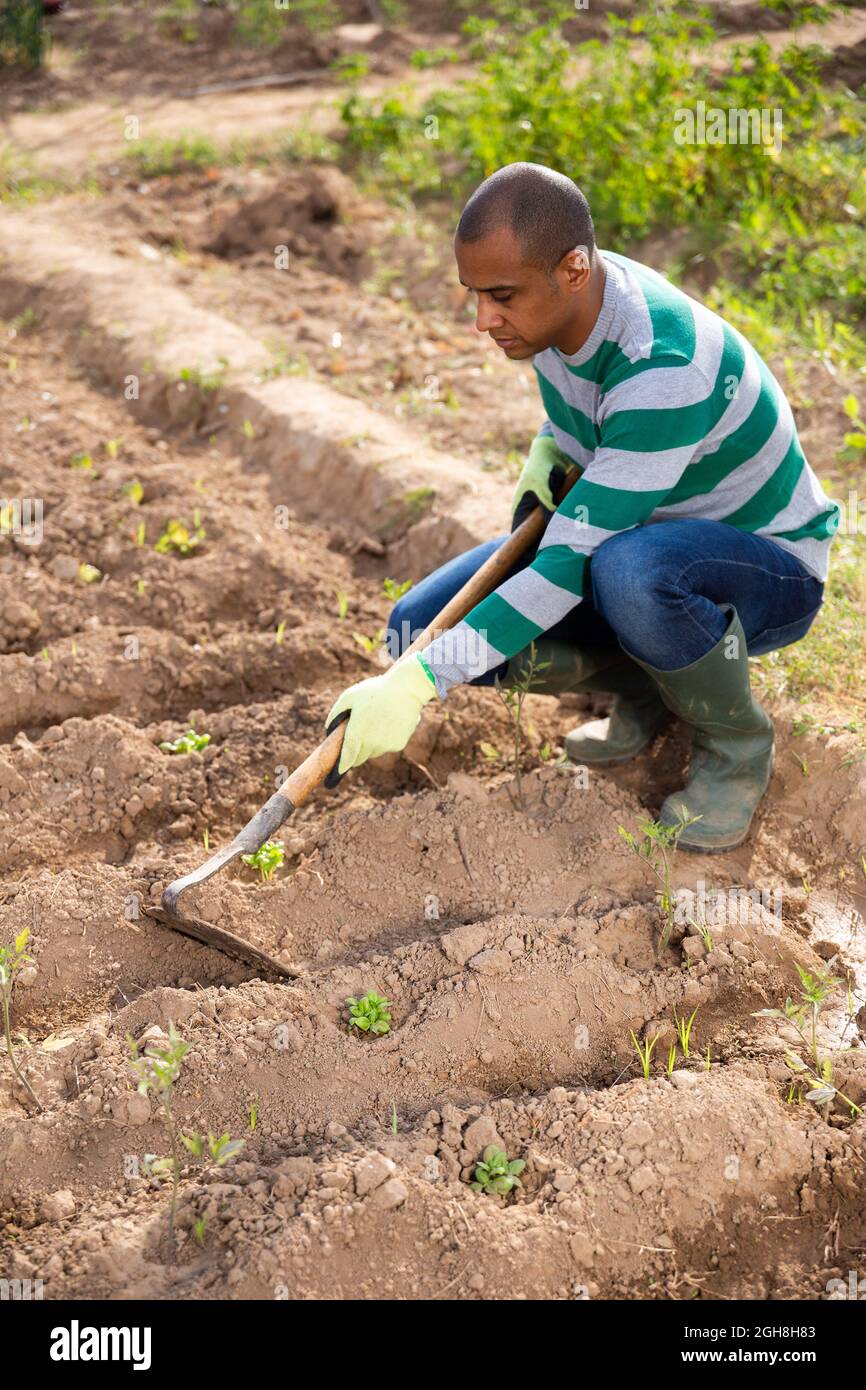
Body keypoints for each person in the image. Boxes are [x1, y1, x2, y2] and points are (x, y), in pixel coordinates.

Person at [324, 162, 838, 852]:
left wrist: (421, 681)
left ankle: (734, 746)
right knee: (414, 621)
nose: (483, 321)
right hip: (641, 528)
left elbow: (570, 560)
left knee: (627, 572)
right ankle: (652, 686)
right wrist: (552, 448)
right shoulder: (563, 304)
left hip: (766, 565)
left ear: (573, 268)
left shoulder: (663, 361)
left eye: (501, 296)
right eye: (474, 295)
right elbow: (595, 422)